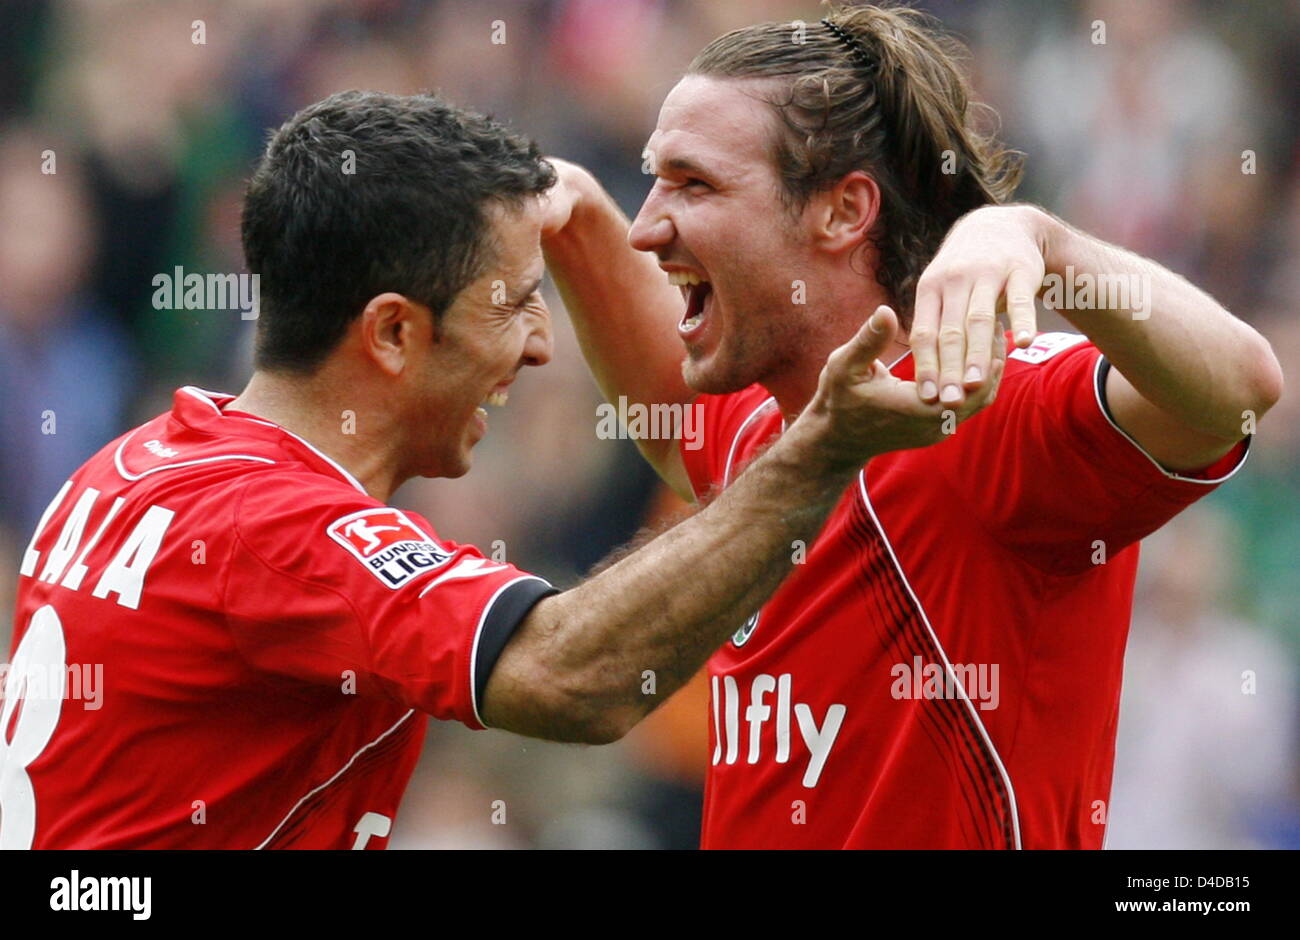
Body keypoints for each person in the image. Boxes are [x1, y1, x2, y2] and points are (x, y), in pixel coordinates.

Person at [2, 90, 998, 849]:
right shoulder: (280, 530)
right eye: (511, 305)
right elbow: (576, 680)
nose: (538, 349)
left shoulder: (131, 466)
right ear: (393, 331)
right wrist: (814, 455)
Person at [539, 4, 1283, 848]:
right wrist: (574, 214)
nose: (649, 226)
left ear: (842, 210)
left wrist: (1041, 240)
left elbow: (1240, 388)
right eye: (652, 182)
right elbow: (670, 407)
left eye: (694, 184)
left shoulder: (978, 407)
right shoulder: (760, 431)